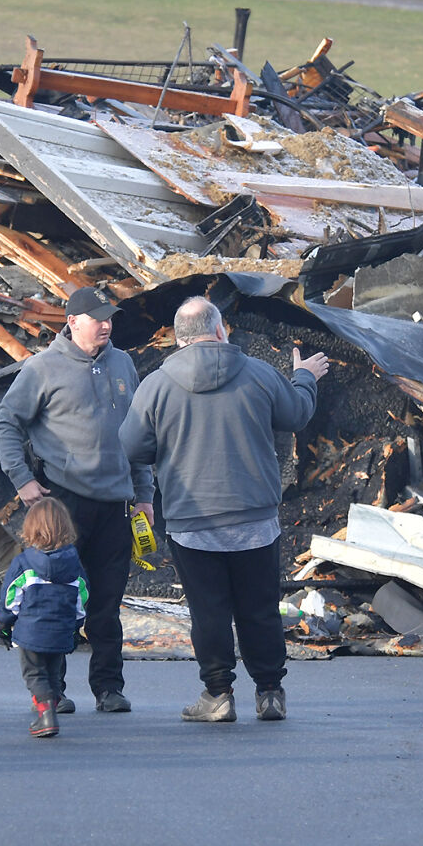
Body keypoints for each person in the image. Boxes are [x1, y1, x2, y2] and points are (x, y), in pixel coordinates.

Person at [120, 297, 327, 723]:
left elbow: (131, 448)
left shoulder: (156, 385)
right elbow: (298, 414)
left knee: (208, 611)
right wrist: (304, 377)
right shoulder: (260, 374)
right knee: (259, 607)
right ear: (220, 330)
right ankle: (270, 692)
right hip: (255, 519)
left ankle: (218, 695)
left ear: (179, 338)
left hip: (192, 523)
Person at [0, 286, 152, 715]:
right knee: (56, 596)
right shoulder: (43, 368)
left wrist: (145, 495)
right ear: (72, 322)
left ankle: (108, 687)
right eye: (97, 317)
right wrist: (23, 481)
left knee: (107, 601)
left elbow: (138, 436)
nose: (106, 324)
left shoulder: (123, 363)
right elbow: (6, 423)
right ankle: (54, 690)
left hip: (117, 503)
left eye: (109, 316)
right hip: (64, 500)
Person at [0, 498, 88, 738]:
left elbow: (11, 598)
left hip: (31, 632)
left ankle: (46, 716)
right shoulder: (74, 564)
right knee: (53, 673)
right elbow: (82, 597)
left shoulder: (24, 562)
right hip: (61, 631)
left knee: (34, 674)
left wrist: (5, 622)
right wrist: (76, 626)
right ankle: (54, 704)